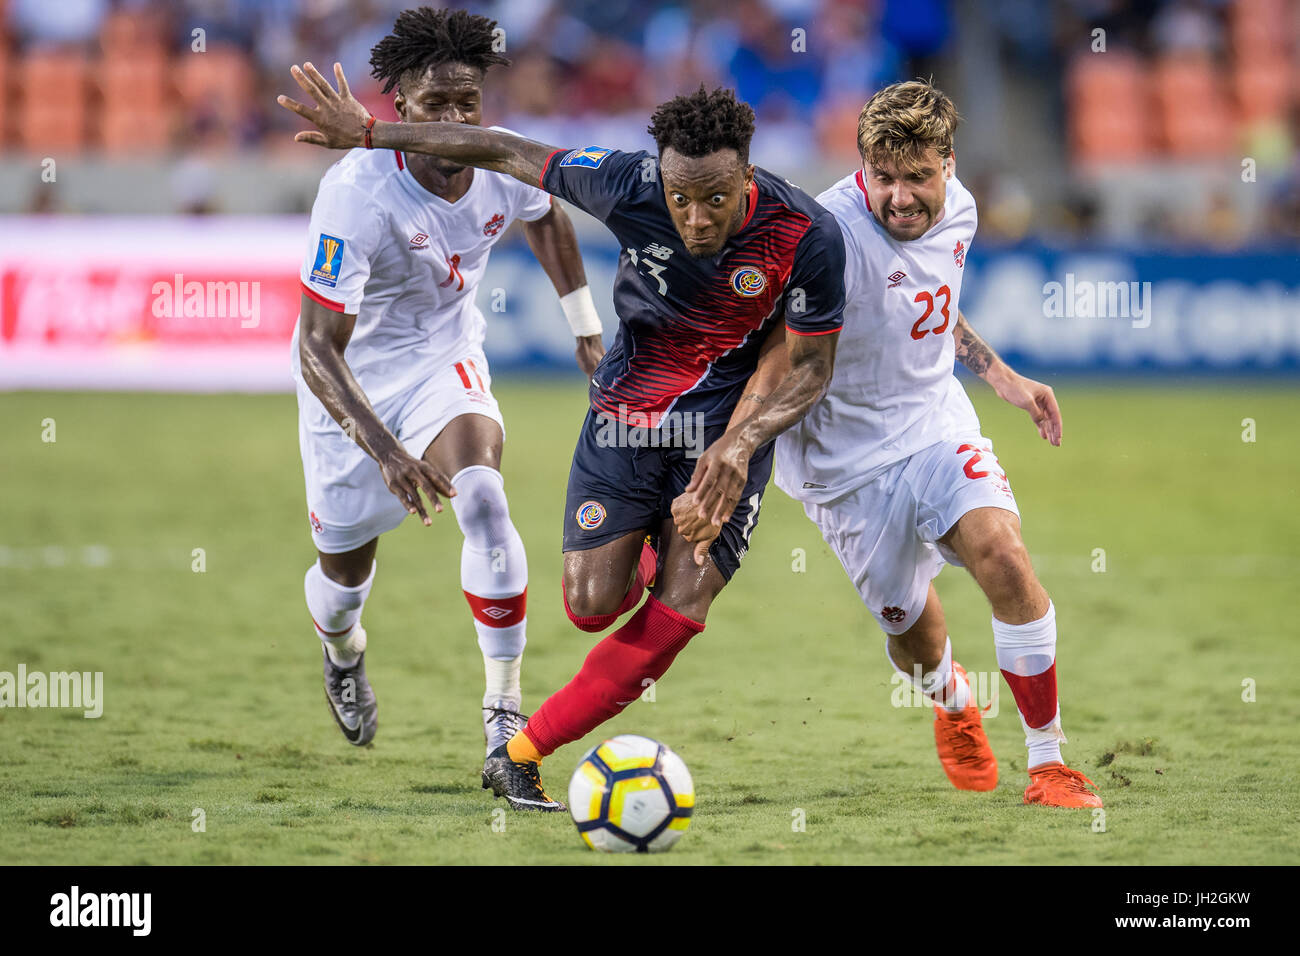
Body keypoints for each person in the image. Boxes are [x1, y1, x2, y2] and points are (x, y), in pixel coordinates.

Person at [279, 70, 845, 810]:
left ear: (748, 173)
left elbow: (810, 368)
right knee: (588, 606)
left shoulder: (806, 233)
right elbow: (503, 153)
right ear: (658, 178)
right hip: (625, 418)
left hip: (721, 440)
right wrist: (371, 134)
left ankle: (519, 748)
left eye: (716, 198)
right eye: (679, 198)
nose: (696, 218)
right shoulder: (621, 182)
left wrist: (740, 447)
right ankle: (643, 541)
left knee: (681, 605)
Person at [676, 80, 1101, 808]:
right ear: (861, 167)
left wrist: (1001, 375)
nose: (901, 198)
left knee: (1002, 552)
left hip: (935, 424)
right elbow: (770, 351)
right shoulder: (822, 236)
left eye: (919, 178)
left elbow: (933, 304)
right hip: (841, 467)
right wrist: (730, 448)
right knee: (916, 633)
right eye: (885, 178)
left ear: (949, 165)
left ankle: (1049, 764)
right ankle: (952, 698)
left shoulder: (963, 210)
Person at [287, 9, 602, 757]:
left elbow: (547, 213)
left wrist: (585, 326)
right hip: (351, 387)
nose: (457, 121)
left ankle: (503, 712)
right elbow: (315, 348)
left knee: (486, 501)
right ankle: (342, 651)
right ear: (400, 107)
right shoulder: (356, 192)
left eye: (469, 105)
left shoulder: (498, 160)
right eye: (437, 106)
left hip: (445, 360)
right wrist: (389, 453)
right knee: (342, 582)